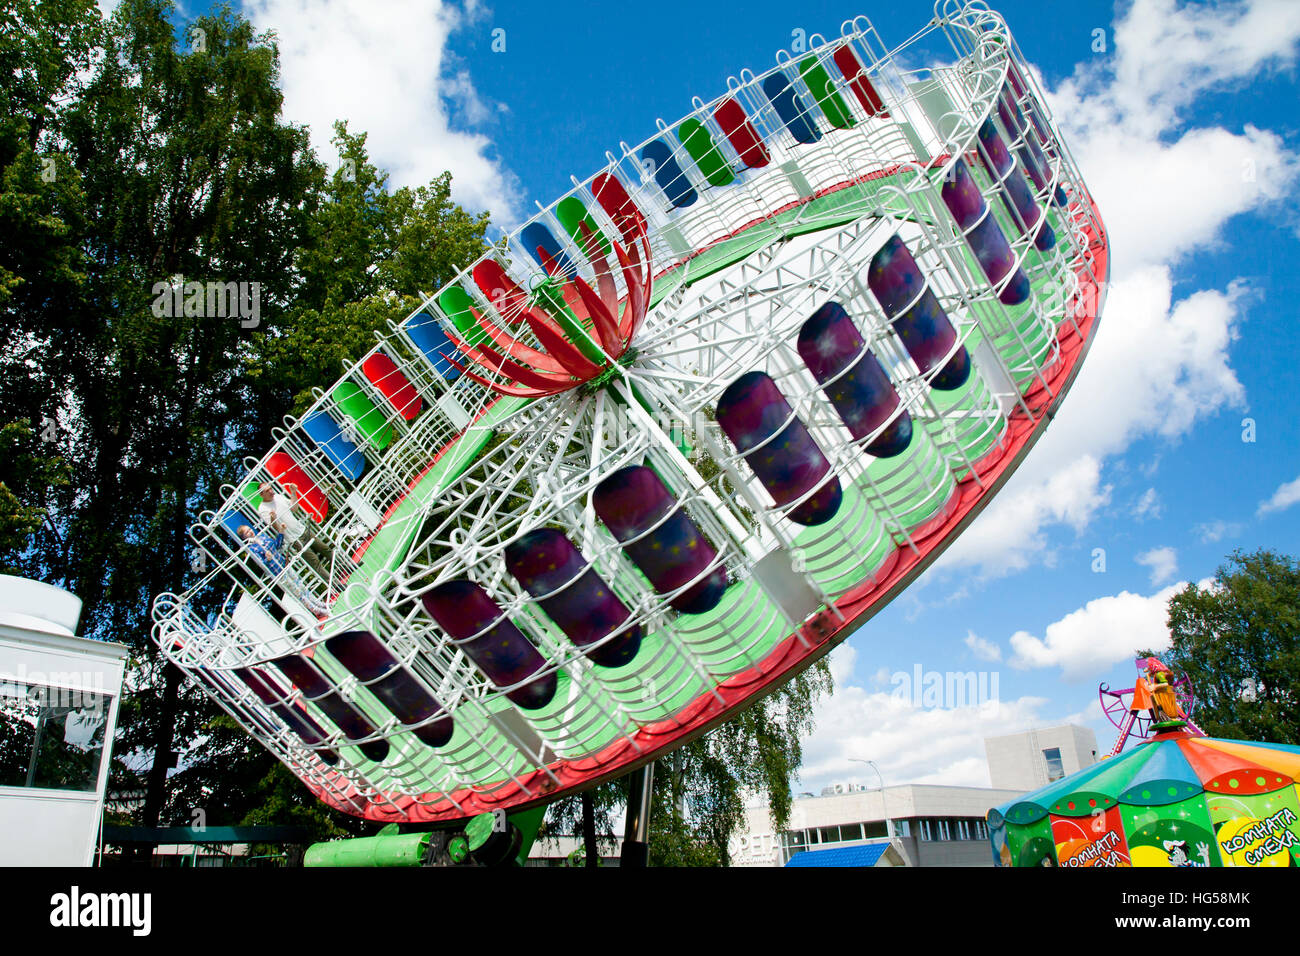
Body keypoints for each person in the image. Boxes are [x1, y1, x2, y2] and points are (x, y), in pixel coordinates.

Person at [237, 524, 328, 619]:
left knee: (302, 586)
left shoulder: (262, 536)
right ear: (244, 537)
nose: (250, 532)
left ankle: (320, 604)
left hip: (284, 564)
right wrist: (267, 559)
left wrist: (281, 531)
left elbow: (277, 545)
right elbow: (261, 564)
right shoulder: (252, 549)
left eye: (249, 529)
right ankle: (317, 611)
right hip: (278, 572)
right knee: (298, 593)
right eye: (247, 532)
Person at [257, 481, 332, 583]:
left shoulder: (278, 497)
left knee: (325, 548)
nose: (271, 491)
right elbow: (276, 528)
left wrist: (293, 492)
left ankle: (345, 565)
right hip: (294, 539)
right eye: (267, 490)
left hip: (302, 529)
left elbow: (294, 508)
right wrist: (272, 518)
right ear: (262, 494)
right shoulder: (262, 509)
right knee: (314, 562)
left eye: (271, 488)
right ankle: (333, 582)